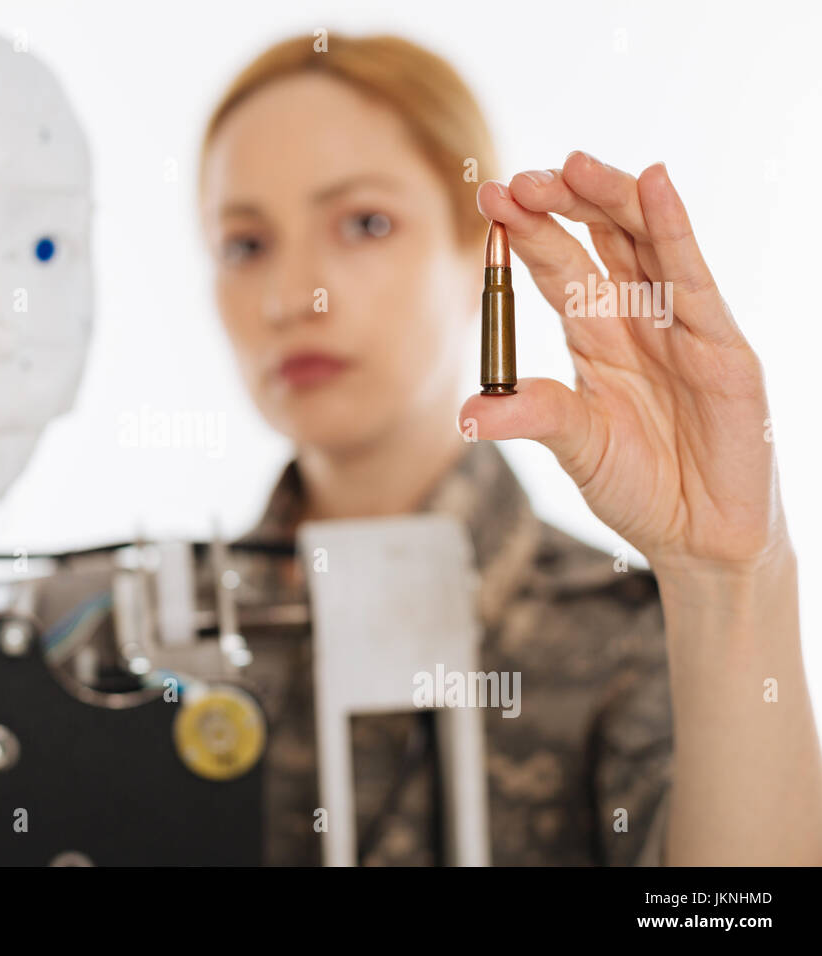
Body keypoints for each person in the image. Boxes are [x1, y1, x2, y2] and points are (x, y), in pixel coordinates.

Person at [197, 31, 822, 865]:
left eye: (365, 223)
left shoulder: (632, 639)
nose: (289, 296)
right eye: (246, 243)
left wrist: (730, 577)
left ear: (474, 247)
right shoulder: (153, 647)